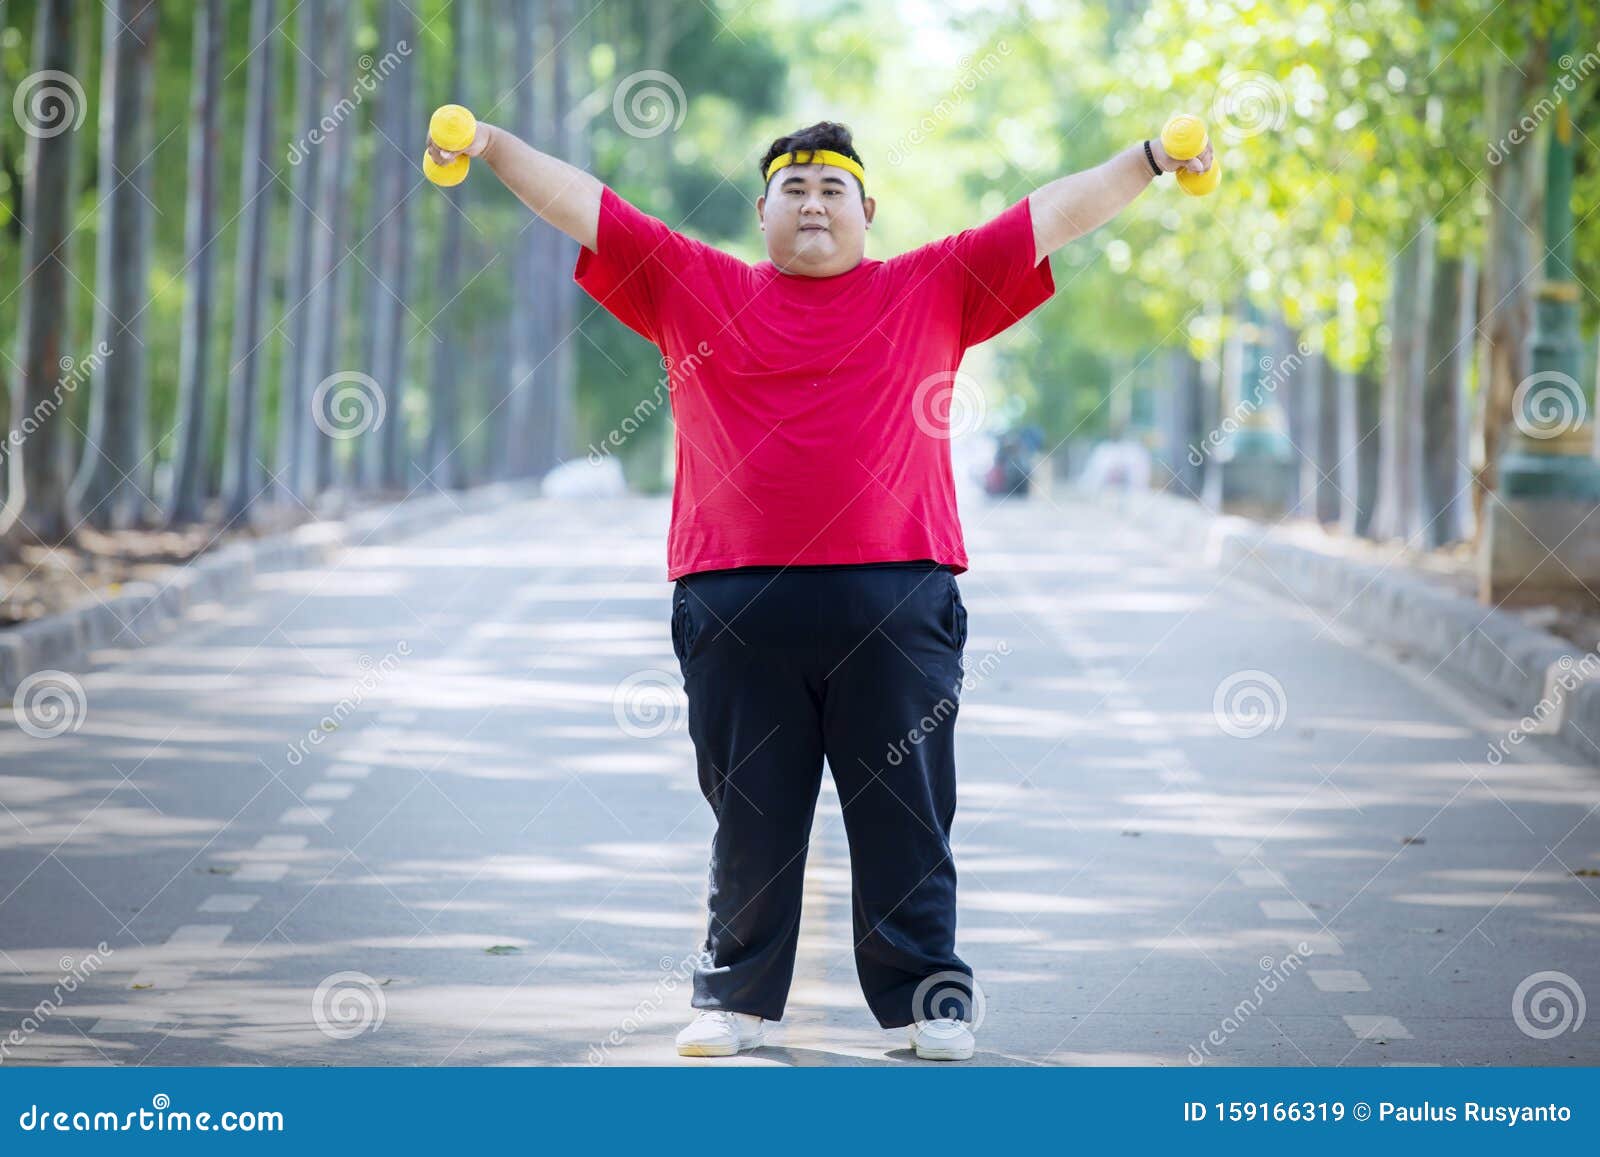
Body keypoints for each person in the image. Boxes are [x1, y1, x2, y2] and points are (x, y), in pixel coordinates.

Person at [426, 117, 1212, 1062]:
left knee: (908, 813)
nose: (812, 203)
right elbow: (588, 207)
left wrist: (1153, 160)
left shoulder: (934, 284)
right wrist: (492, 145)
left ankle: (931, 1004)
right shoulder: (693, 282)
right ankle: (734, 999)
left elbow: (1049, 216)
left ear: (867, 211)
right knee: (750, 814)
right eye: (792, 190)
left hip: (898, 601)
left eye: (832, 189)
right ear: (759, 211)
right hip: (735, 602)